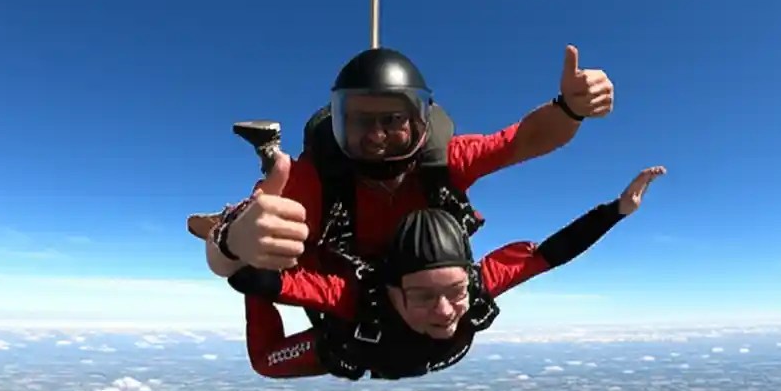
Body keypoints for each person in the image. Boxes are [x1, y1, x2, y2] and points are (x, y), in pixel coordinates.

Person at [197, 45, 616, 280]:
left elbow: (525, 141)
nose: (377, 136)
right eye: (360, 121)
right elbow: (229, 258)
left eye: (393, 119)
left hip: (412, 282)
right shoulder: (318, 176)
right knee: (257, 238)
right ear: (339, 122)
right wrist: (233, 241)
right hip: (340, 280)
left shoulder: (445, 161)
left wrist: (570, 109)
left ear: (419, 120)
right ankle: (247, 182)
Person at [226, 166, 667, 380]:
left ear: (467, 279)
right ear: (392, 290)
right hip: (352, 344)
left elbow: (553, 252)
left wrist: (617, 211)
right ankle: (273, 202)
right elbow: (262, 281)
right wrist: (244, 245)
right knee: (267, 363)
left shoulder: (477, 287)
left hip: (382, 352)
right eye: (421, 295)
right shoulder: (355, 297)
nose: (444, 311)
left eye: (454, 291)